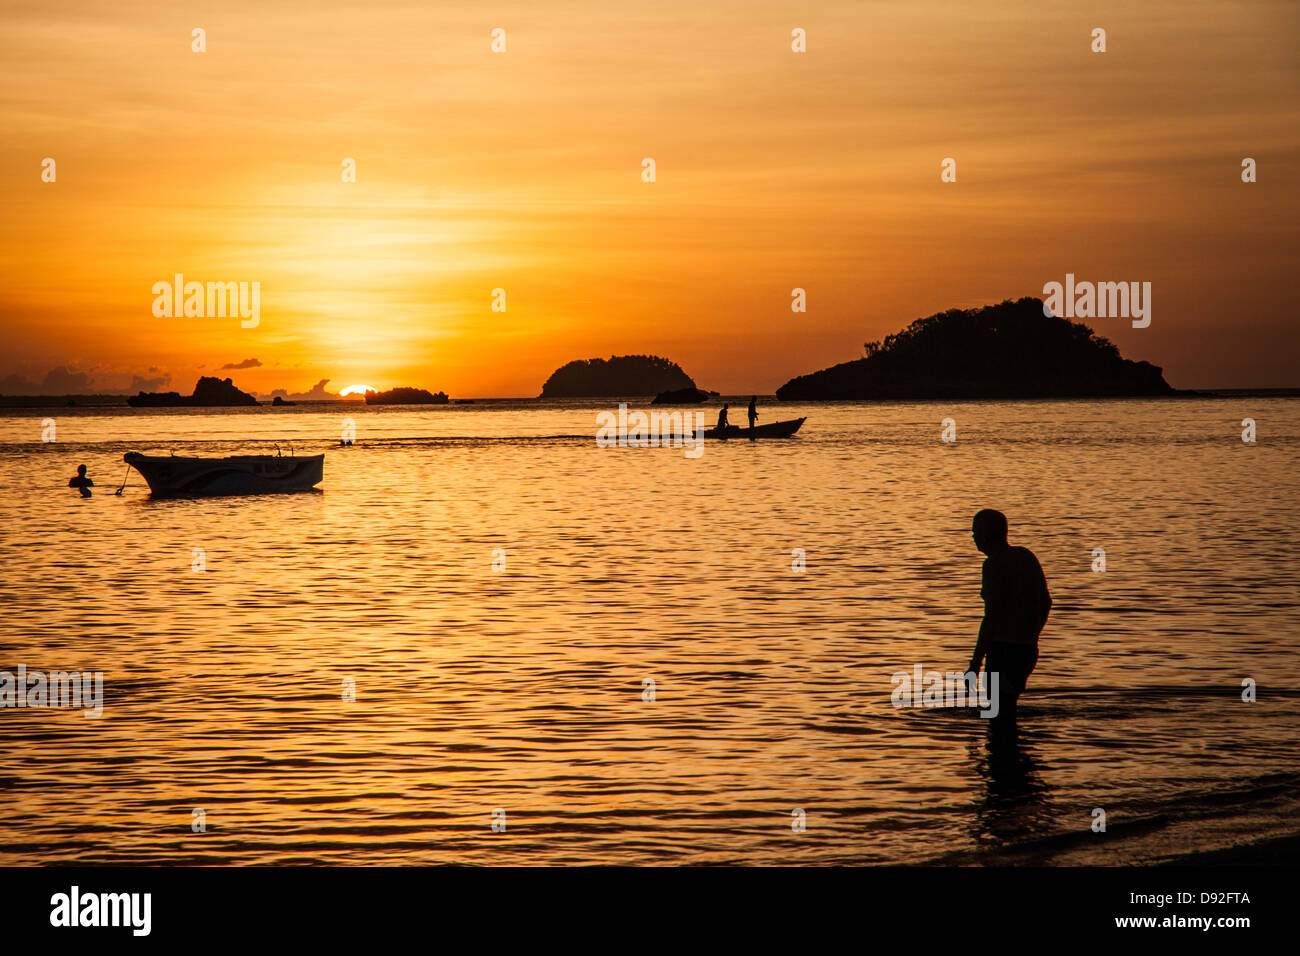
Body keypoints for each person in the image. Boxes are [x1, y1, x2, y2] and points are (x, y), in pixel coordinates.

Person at [967, 509, 1051, 726]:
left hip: (1003, 653)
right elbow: (1046, 603)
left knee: (996, 715)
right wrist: (1031, 635)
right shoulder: (1026, 556)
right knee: (1006, 710)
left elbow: (991, 617)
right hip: (1027, 651)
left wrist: (975, 662)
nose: (972, 536)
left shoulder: (993, 565)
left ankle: (1001, 757)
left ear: (987, 534)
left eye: (975, 531)